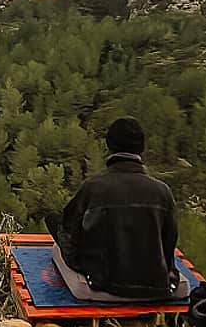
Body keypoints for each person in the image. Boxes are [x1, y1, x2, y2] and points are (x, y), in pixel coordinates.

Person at [46, 117, 184, 301]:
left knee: (56, 232)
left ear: (109, 146)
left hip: (104, 287)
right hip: (155, 289)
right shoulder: (162, 192)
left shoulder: (93, 188)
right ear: (141, 149)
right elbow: (169, 244)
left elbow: (70, 242)